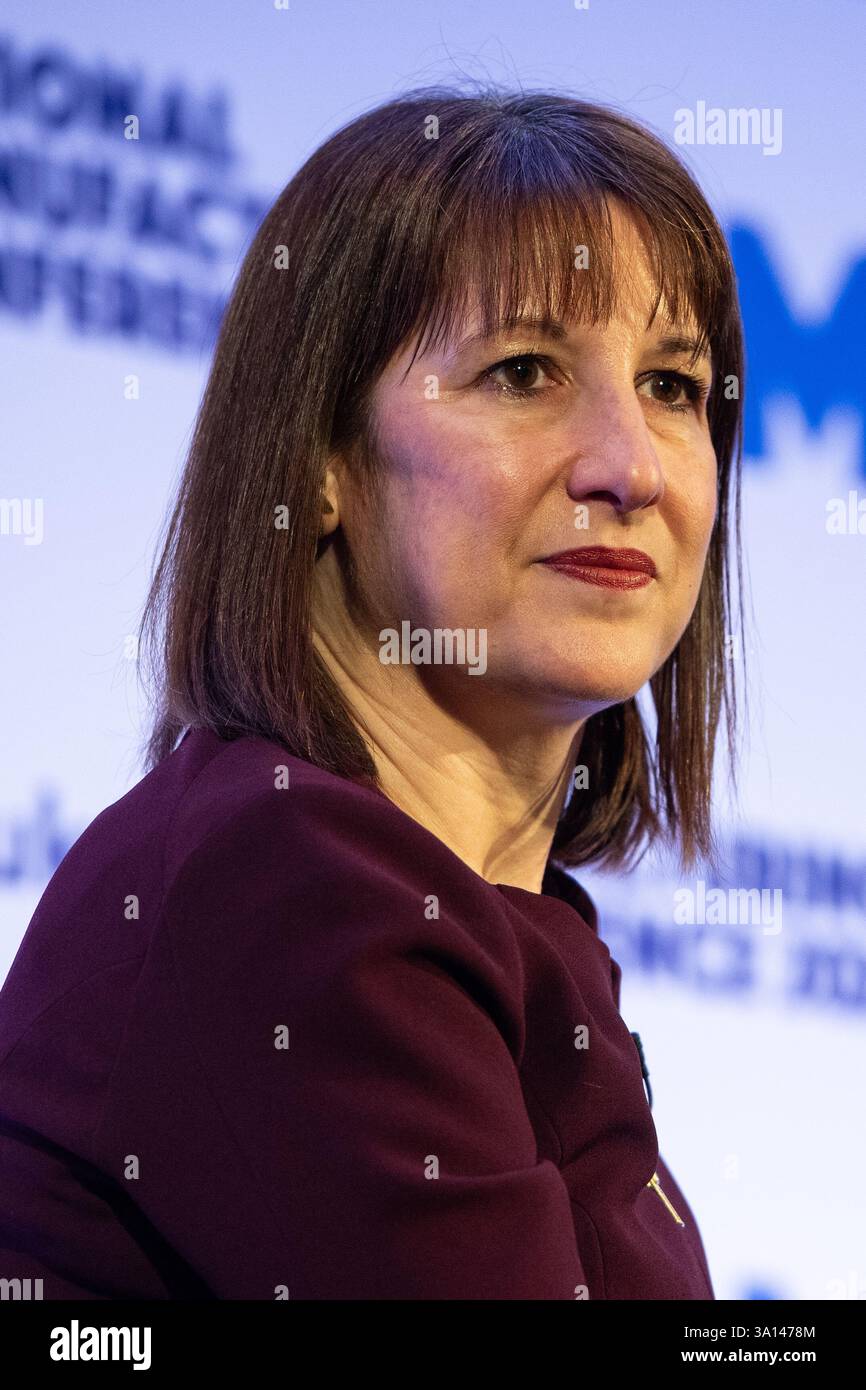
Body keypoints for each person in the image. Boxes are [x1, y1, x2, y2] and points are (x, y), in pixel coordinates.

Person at [0, 85, 745, 1299]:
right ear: (322, 464)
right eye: (521, 370)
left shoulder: (507, 923)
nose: (627, 465)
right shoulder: (285, 877)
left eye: (671, 384)